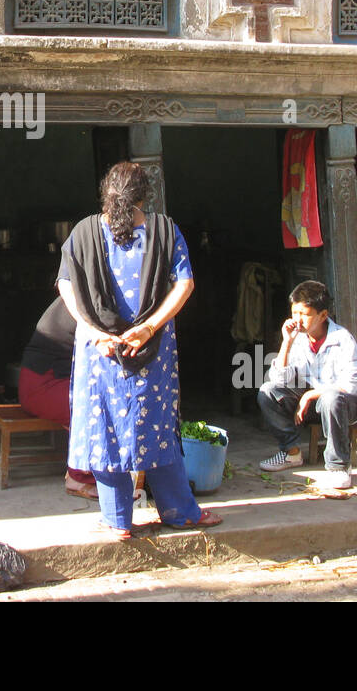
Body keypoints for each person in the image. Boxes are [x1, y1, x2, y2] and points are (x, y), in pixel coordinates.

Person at [56, 161, 222, 539]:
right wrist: (148, 327)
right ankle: (180, 513)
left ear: (105, 193)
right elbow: (185, 285)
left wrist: (91, 330)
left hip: (99, 350)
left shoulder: (82, 232)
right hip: (153, 348)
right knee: (158, 428)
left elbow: (65, 285)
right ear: (144, 195)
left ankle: (117, 521)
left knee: (105, 430)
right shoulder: (165, 230)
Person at [257, 280, 357, 490]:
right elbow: (279, 379)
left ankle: (338, 467)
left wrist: (310, 396)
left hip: (346, 404)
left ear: (323, 315)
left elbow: (350, 385)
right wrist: (287, 343)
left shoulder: (342, 339)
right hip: (316, 404)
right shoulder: (298, 339)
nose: (297, 320)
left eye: (304, 314)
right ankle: (291, 453)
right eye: (294, 313)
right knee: (268, 392)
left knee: (331, 398)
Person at [19, 297, 98, 500]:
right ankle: (78, 478)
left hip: (50, 381)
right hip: (42, 386)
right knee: (95, 410)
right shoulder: (83, 300)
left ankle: (88, 471)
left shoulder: (82, 294)